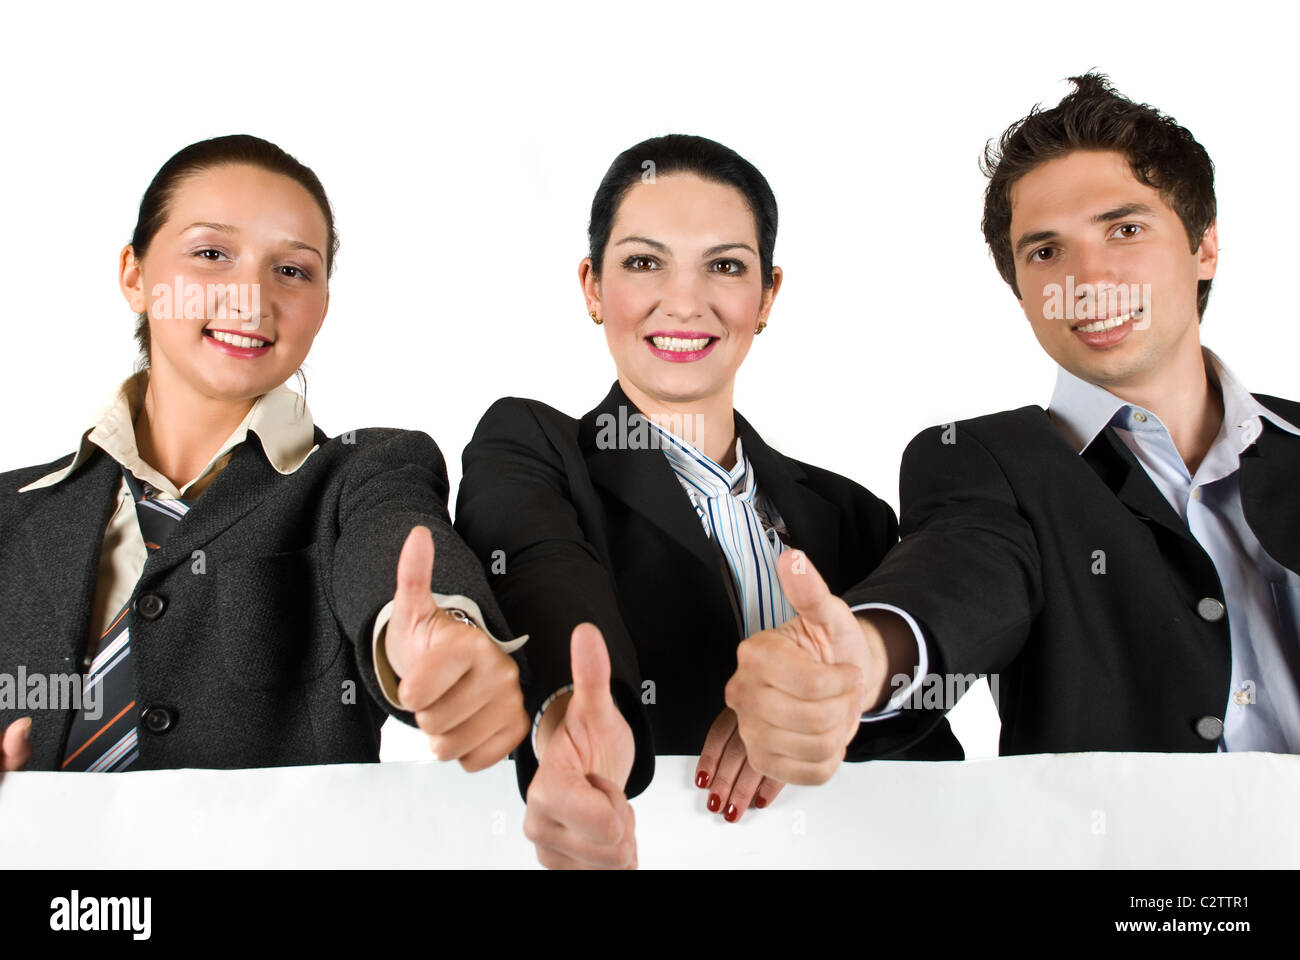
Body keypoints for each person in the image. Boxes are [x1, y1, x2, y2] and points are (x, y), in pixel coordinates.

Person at [727, 73, 1300, 788]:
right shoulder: (989, 465)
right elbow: (961, 582)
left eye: (1125, 229)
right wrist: (865, 661)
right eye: (1046, 252)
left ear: (1204, 247)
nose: (1088, 279)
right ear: (1021, 289)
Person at [455, 134, 962, 869]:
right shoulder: (533, 448)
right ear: (593, 287)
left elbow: (924, 741)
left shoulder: (854, 517)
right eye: (643, 262)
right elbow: (549, 582)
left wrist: (810, 716)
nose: (685, 303)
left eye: (724, 266)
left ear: (768, 296)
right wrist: (580, 723)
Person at [0, 135, 529, 775]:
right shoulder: (11, 513)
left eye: (292, 270)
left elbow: (393, 547)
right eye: (212, 253)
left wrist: (438, 639)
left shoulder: (365, 472)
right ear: (135, 276)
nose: (251, 298)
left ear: (322, 306)